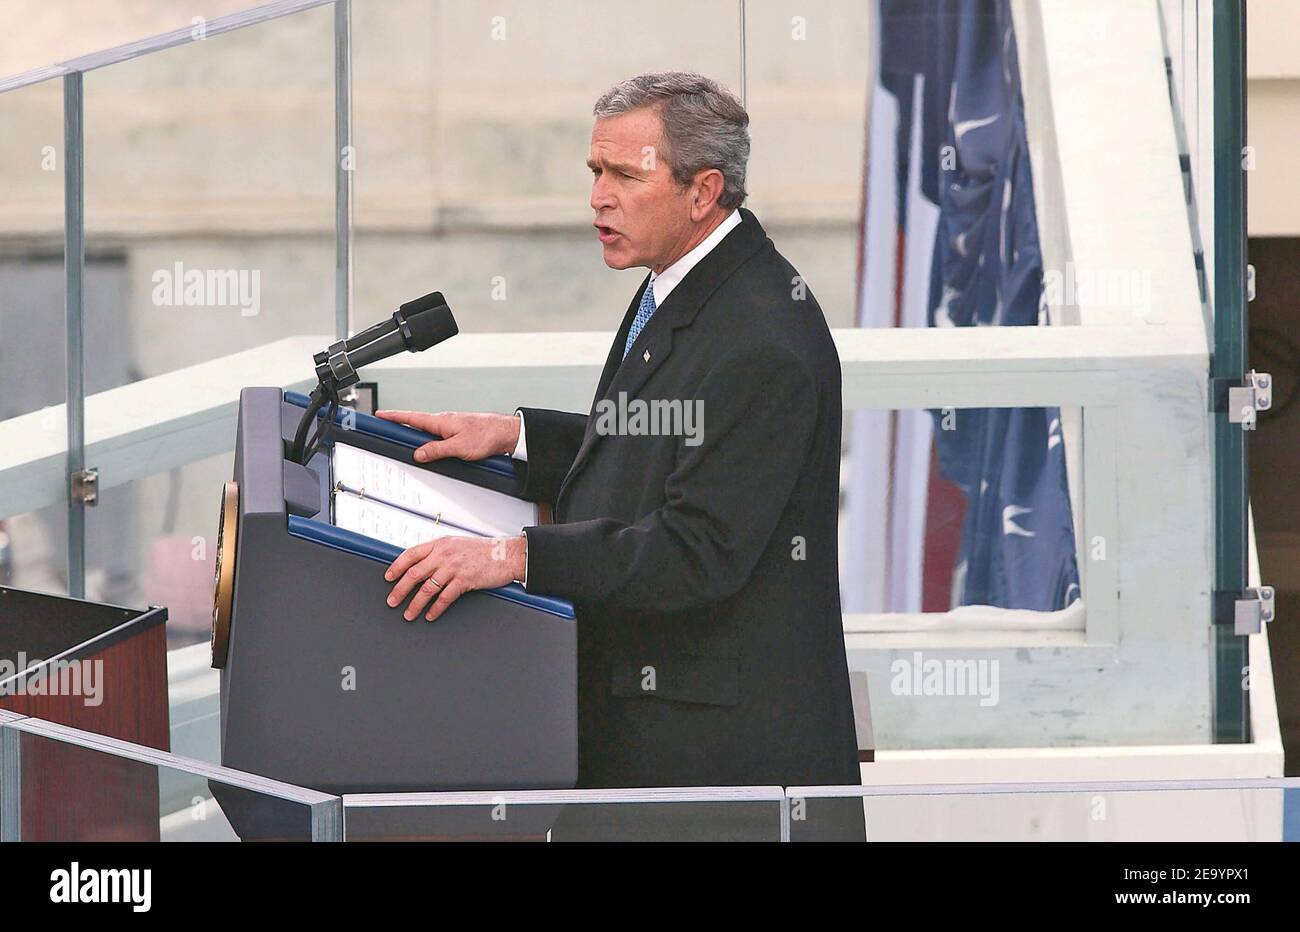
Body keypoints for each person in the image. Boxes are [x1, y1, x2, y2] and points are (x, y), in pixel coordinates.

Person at [377, 72, 863, 840]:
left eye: (624, 176)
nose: (598, 197)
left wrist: (512, 558)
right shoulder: (691, 284)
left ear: (703, 191)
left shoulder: (761, 338)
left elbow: (696, 551)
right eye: (594, 173)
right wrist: (517, 437)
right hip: (658, 745)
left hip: (712, 774)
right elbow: (672, 438)